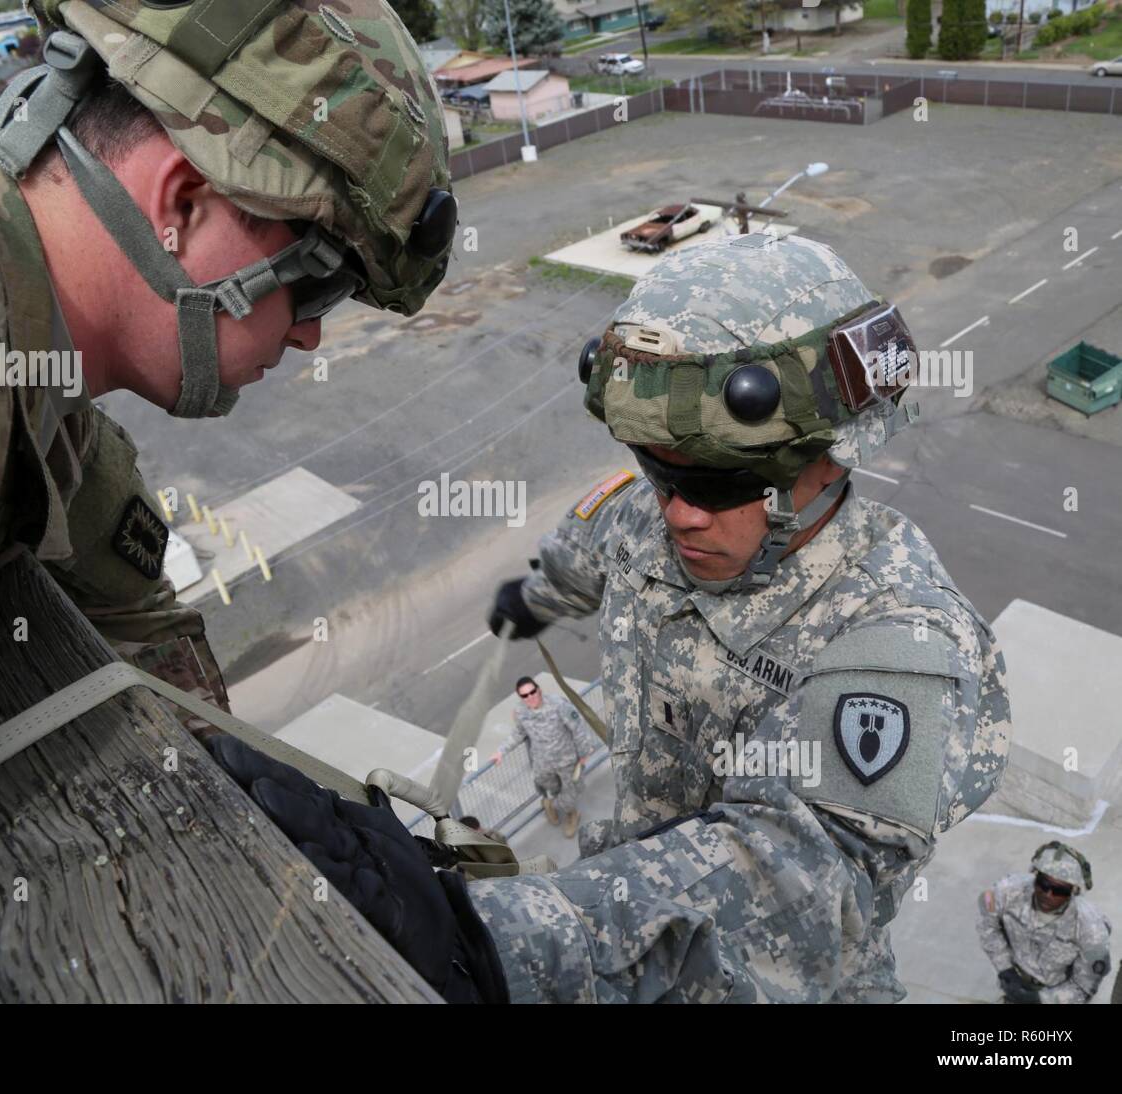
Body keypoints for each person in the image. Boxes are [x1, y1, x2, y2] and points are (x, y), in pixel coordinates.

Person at [225, 232, 1012, 1004]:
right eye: (659, 469)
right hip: (621, 903)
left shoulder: (902, 639)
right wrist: (532, 603)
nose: (679, 514)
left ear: (829, 457)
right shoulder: (647, 518)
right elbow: (586, 551)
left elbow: (802, 880)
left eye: (713, 482)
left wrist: (486, 938)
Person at [0, 0, 455, 777]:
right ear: (182, 205)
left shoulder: (36, 385)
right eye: (318, 286)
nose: (308, 336)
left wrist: (251, 785)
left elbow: (136, 614)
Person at [977, 842, 1112, 1004]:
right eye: (1043, 883)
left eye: (1059, 891)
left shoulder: (1092, 929)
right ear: (1035, 876)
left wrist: (1040, 999)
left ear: (1073, 892)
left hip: (1056, 996)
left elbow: (1084, 986)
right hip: (1013, 979)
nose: (1048, 894)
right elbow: (987, 926)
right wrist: (1005, 968)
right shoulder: (1007, 890)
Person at [490, 676, 590, 838]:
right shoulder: (521, 712)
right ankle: (550, 802)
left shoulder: (558, 705)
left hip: (567, 761)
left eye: (532, 692)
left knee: (570, 792)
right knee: (552, 789)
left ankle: (570, 814)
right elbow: (519, 733)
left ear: (539, 690)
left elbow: (577, 729)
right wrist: (501, 751)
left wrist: (584, 753)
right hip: (542, 763)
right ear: (521, 697)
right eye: (525, 695)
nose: (530, 697)